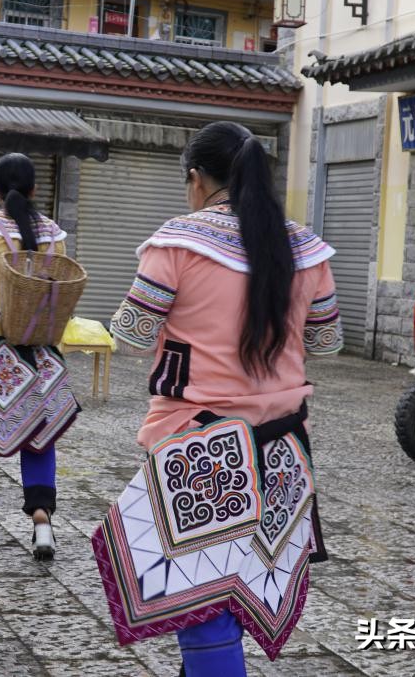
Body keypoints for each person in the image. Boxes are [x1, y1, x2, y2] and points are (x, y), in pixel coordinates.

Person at [95, 122, 343, 676]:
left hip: (197, 444)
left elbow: (131, 337)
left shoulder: (177, 243)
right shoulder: (305, 248)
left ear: (196, 178)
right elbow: (325, 342)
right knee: (237, 586)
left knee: (201, 598)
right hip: (282, 450)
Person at [0, 153, 80, 560]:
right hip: (39, 349)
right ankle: (42, 521)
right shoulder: (54, 235)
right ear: (35, 190)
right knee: (40, 434)